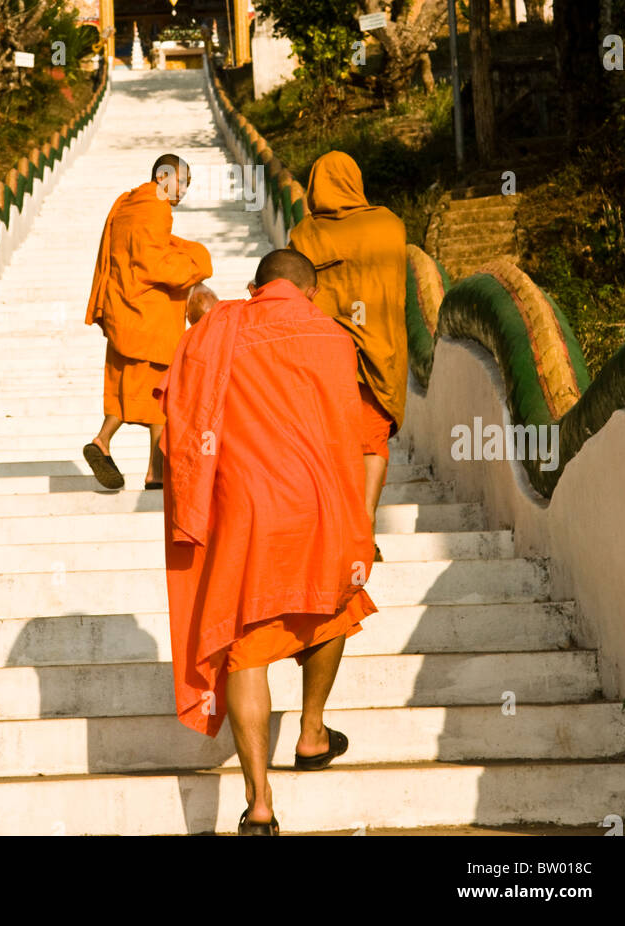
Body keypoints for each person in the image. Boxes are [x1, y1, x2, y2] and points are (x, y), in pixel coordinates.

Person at [157, 247, 376, 836]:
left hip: (246, 510)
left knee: (243, 644)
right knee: (336, 610)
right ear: (309, 291)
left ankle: (259, 805)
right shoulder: (333, 336)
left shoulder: (226, 326)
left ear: (255, 286)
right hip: (320, 503)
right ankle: (310, 731)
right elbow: (356, 433)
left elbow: (183, 391)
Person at [288, 151, 407, 559]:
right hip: (378, 352)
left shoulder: (304, 234)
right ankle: (365, 524)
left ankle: (331, 530)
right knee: (371, 442)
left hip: (324, 360)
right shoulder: (389, 225)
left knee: (329, 444)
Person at [84, 154, 212, 491]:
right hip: (150, 318)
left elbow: (126, 254)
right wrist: (198, 262)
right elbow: (154, 263)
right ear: (163, 175)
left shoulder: (126, 203)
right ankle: (104, 441)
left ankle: (154, 471)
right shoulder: (155, 207)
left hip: (125, 311)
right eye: (182, 182)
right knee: (158, 390)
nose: (184, 190)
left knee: (146, 392)